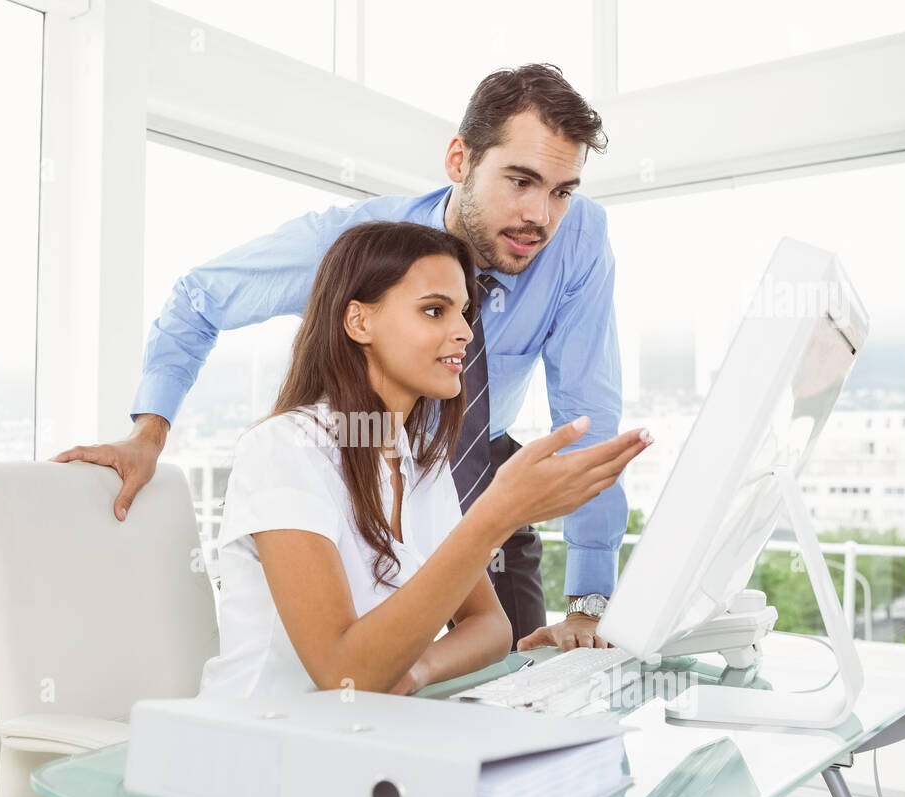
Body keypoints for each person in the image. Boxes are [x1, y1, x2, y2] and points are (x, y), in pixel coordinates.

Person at [52, 63, 626, 654]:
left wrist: (586, 605)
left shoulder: (577, 237)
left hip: (475, 471)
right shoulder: (359, 248)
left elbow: (588, 419)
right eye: (521, 181)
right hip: (363, 459)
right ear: (460, 161)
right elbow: (200, 299)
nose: (541, 217)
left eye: (561, 191)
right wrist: (149, 432)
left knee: (522, 684)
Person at [195, 221, 650, 697]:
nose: (464, 334)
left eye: (464, 313)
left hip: (366, 732)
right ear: (359, 322)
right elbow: (344, 675)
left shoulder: (420, 462)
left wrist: (416, 671)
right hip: (261, 743)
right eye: (435, 311)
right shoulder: (285, 449)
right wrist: (499, 514)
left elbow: (491, 627)